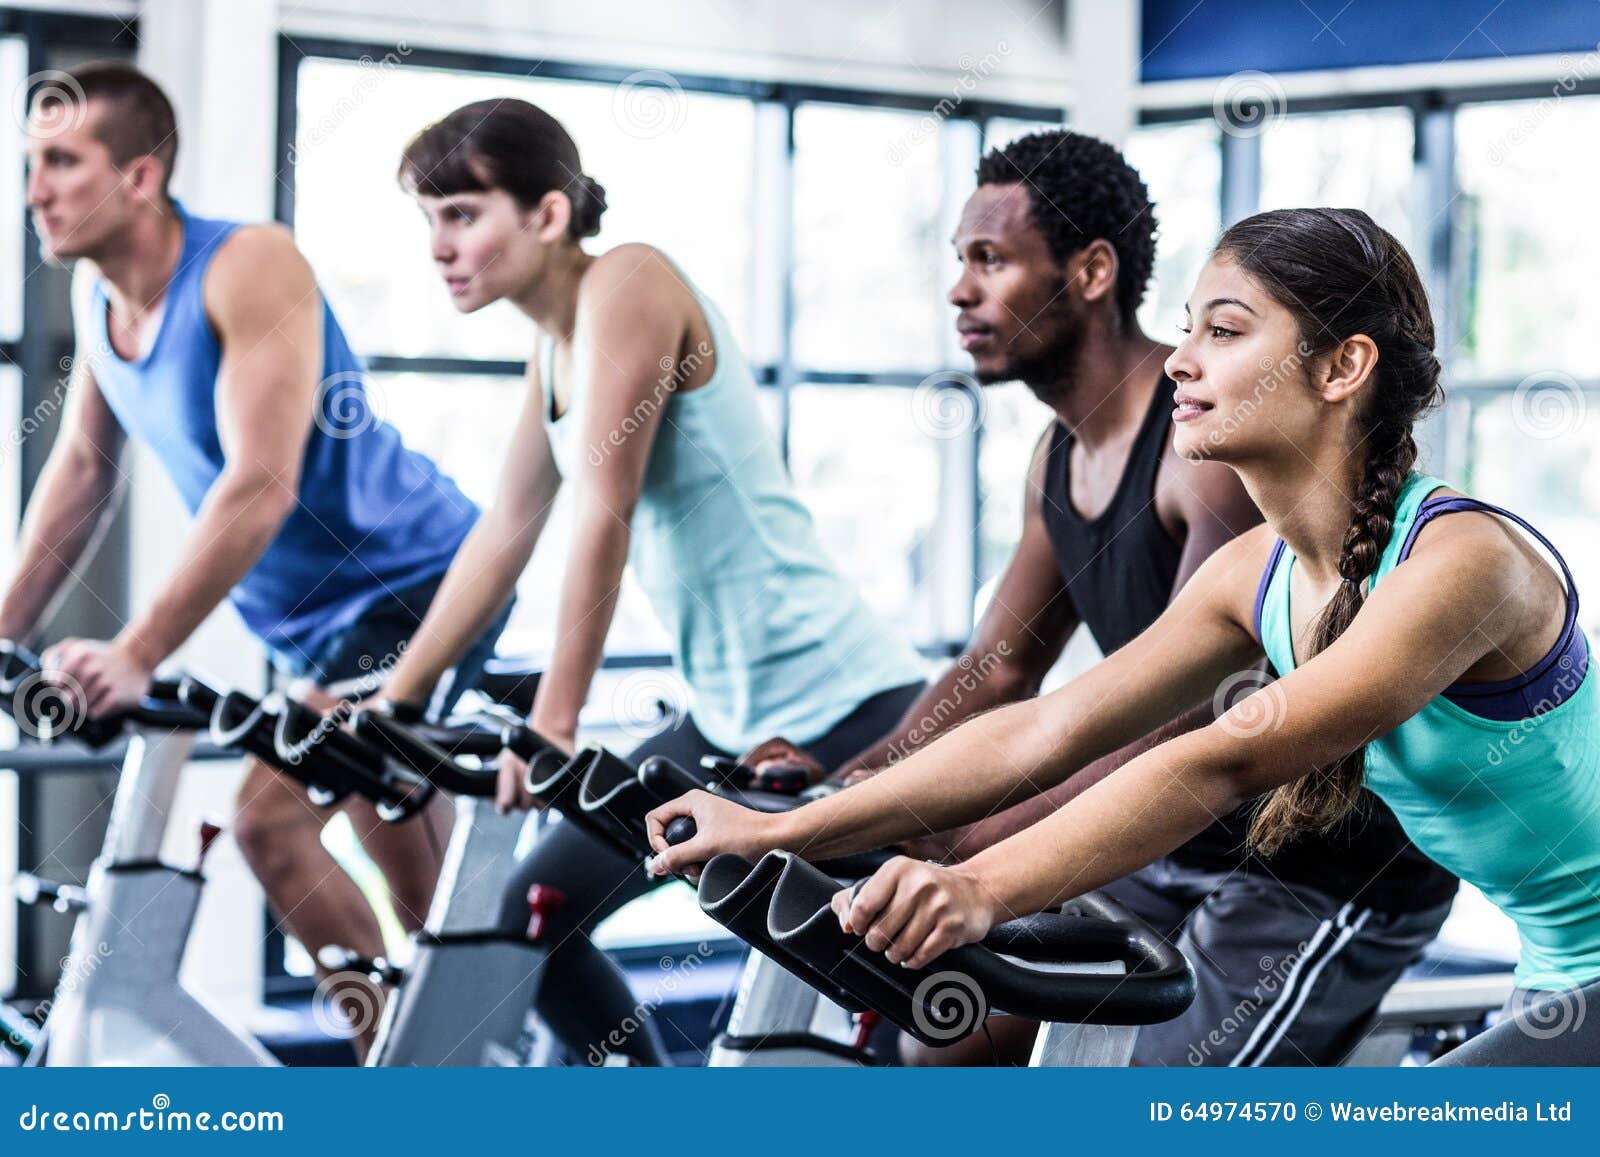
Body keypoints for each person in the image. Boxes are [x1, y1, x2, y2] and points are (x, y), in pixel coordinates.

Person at [650, 206, 1600, 1066]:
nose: (1180, 360)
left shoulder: (1462, 561)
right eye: (1187, 328)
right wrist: (785, 827)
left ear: (1342, 367)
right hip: (1560, 965)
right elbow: (1045, 729)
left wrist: (982, 885)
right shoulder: (1255, 574)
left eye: (1224, 332)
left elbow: (1219, 760)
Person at [375, 98, 926, 1065]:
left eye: (461, 214)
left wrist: (554, 723)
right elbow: (504, 532)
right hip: (724, 717)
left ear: (548, 215)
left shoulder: (628, 278)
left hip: (840, 703)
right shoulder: (551, 347)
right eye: (425, 221)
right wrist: (395, 698)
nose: (436, 247)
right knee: (534, 915)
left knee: (868, 963)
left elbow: (602, 509)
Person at [1, 63, 504, 1052]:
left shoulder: (248, 264)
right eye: (29, 164)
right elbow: (79, 481)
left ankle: (437, 1068)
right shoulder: (100, 295)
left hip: (419, 581)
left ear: (140, 176)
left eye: (61, 161)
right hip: (319, 626)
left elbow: (260, 479)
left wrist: (137, 649)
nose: (35, 191)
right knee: (407, 862)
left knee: (273, 822)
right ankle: (441, 1051)